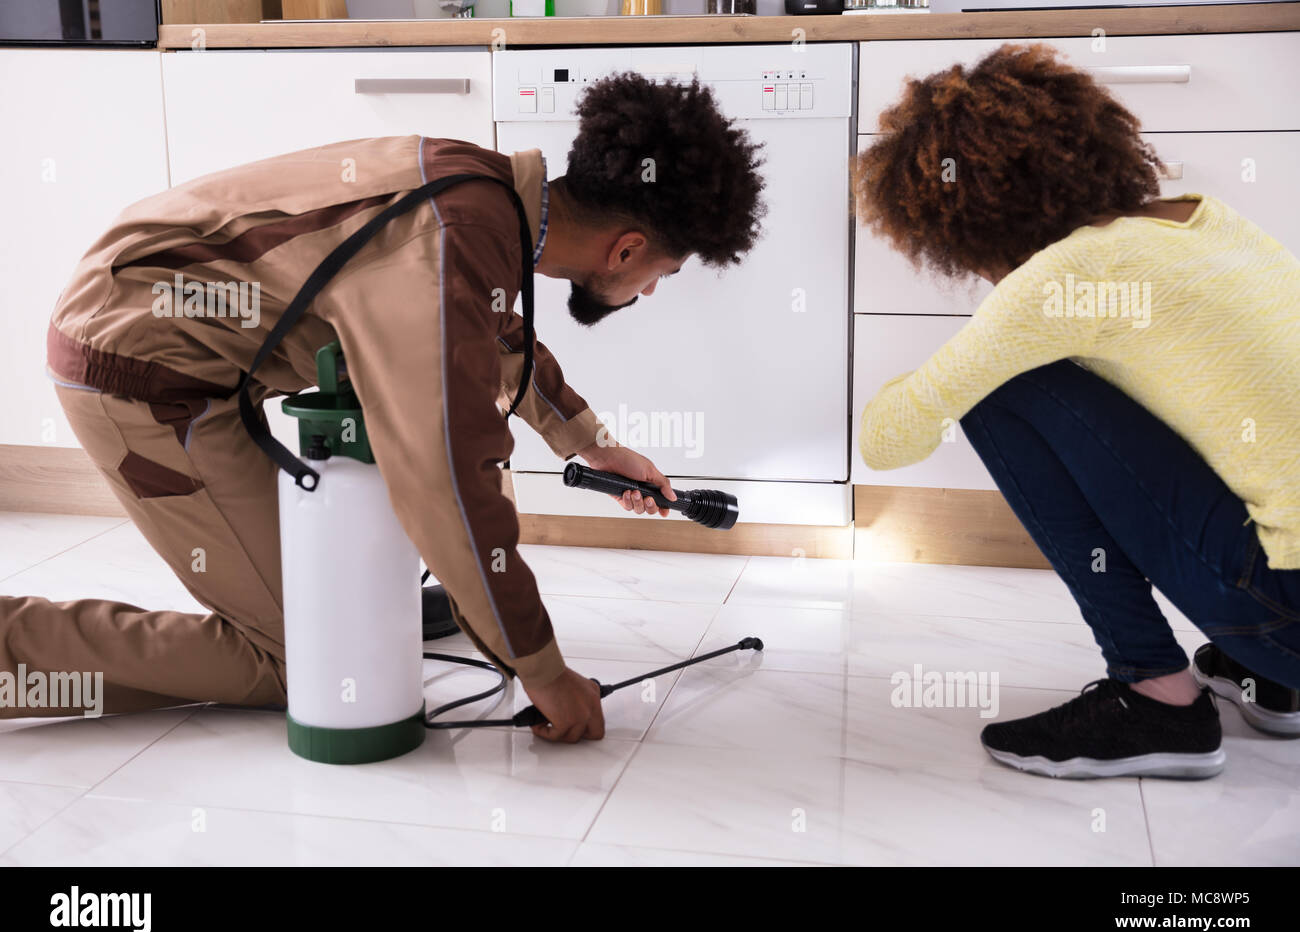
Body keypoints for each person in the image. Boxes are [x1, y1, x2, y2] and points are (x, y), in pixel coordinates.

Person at [0, 73, 766, 744]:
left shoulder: (486, 195)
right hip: (140, 375)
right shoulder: (458, 238)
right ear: (625, 251)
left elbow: (485, 329)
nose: (654, 290)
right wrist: (541, 669)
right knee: (304, 662)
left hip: (167, 342)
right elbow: (447, 478)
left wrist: (590, 444)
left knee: (344, 608)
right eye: (664, 271)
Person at [853, 43, 1300, 779]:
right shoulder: (1208, 220)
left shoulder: (1068, 272)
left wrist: (960, 363)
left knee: (1003, 389)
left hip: (1282, 612)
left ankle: (1155, 693)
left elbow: (885, 441)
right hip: (1284, 606)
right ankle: (1273, 687)